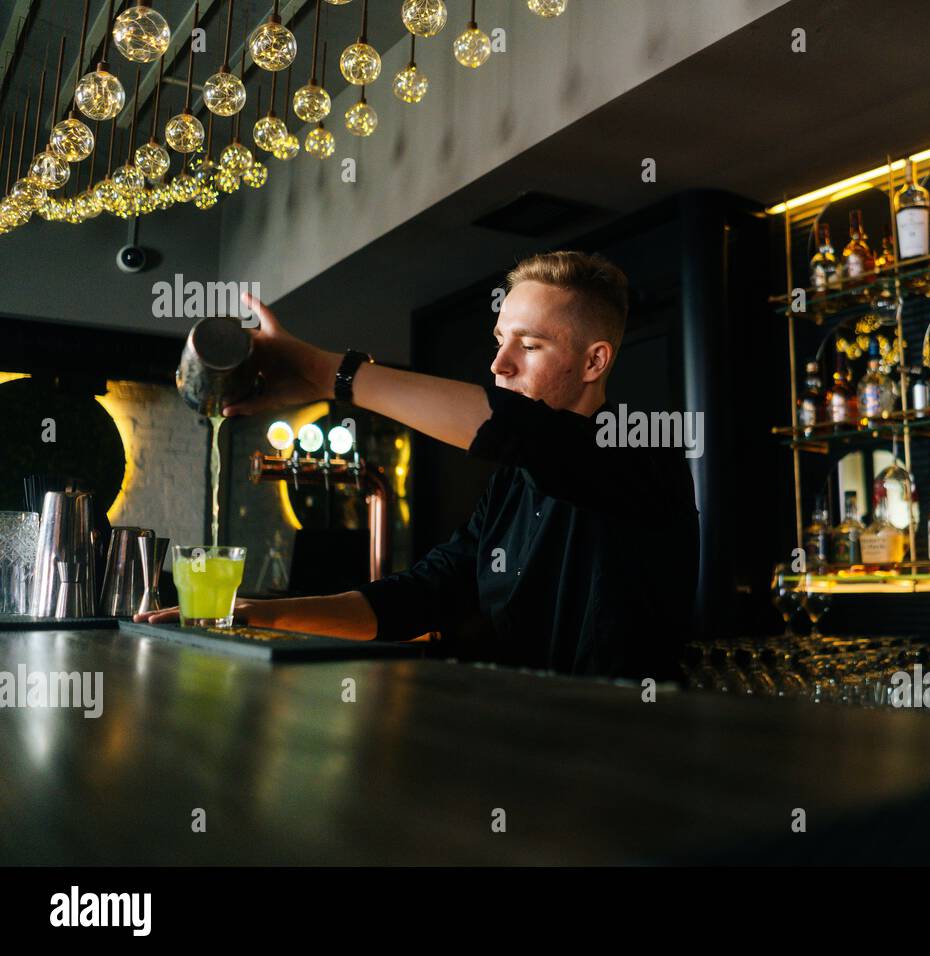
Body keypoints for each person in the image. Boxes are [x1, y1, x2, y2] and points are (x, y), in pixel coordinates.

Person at [137, 251, 700, 679]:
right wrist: (256, 615)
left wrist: (324, 374)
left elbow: (521, 432)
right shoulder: (512, 483)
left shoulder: (642, 455)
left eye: (529, 346)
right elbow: (422, 594)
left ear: (594, 361)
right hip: (528, 756)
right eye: (500, 339)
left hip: (626, 767)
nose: (498, 363)